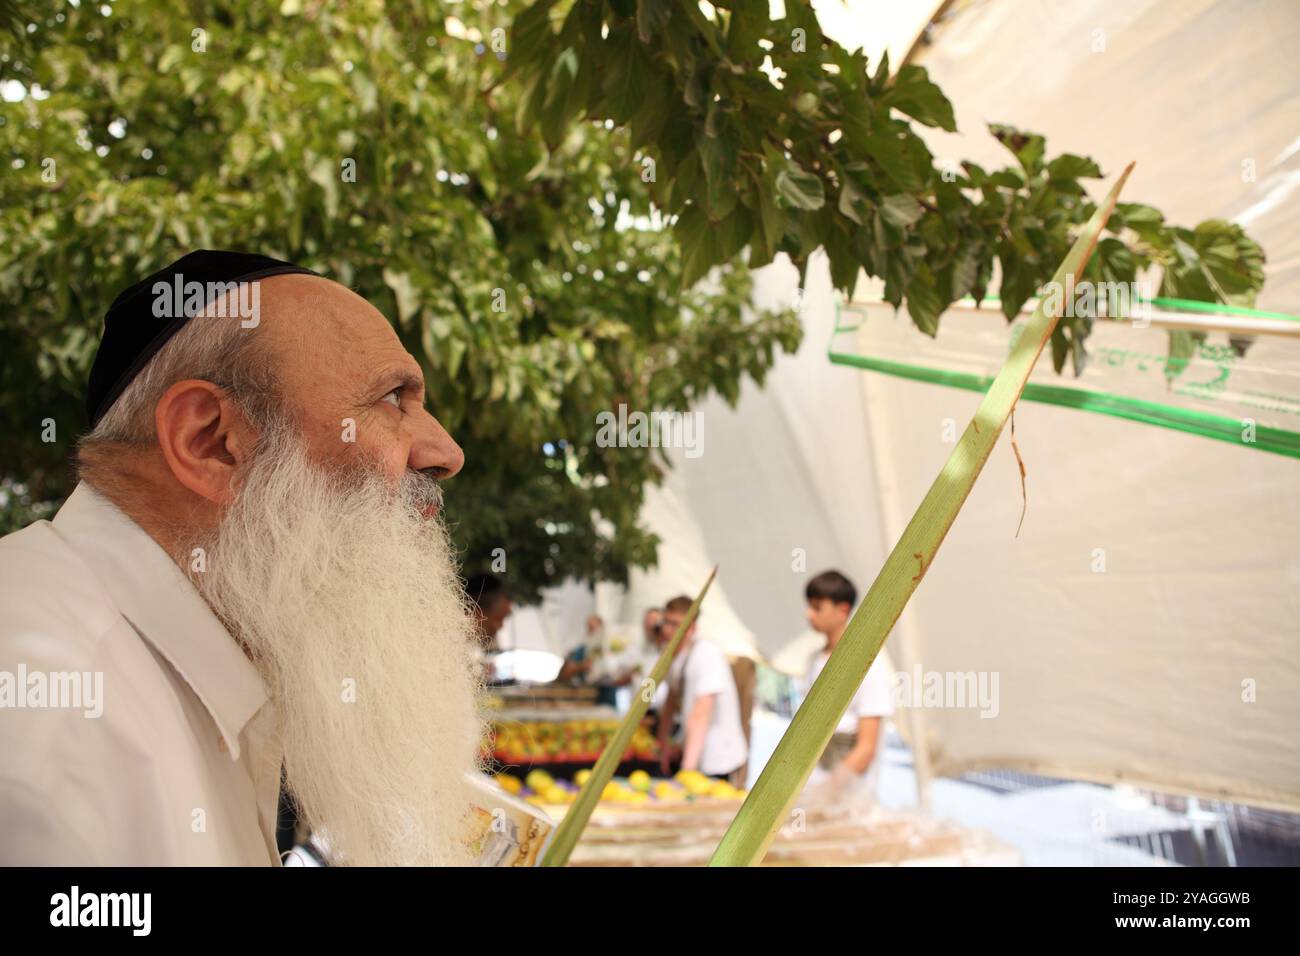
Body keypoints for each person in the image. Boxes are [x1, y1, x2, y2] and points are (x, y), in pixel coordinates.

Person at [0, 250, 485, 865]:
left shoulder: (171, 668)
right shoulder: (52, 726)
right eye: (392, 399)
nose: (445, 450)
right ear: (211, 442)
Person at [800, 570, 894, 807]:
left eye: (817, 607)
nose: (808, 614)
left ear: (842, 610)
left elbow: (866, 748)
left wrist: (826, 792)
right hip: (811, 790)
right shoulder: (812, 660)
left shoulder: (870, 663)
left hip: (847, 799)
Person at [657, 595, 748, 783]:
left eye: (675, 624)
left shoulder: (707, 653)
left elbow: (701, 711)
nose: (667, 629)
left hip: (718, 758)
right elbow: (671, 701)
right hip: (696, 754)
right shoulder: (677, 657)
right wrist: (663, 745)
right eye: (666, 621)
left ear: (692, 628)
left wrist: (687, 769)